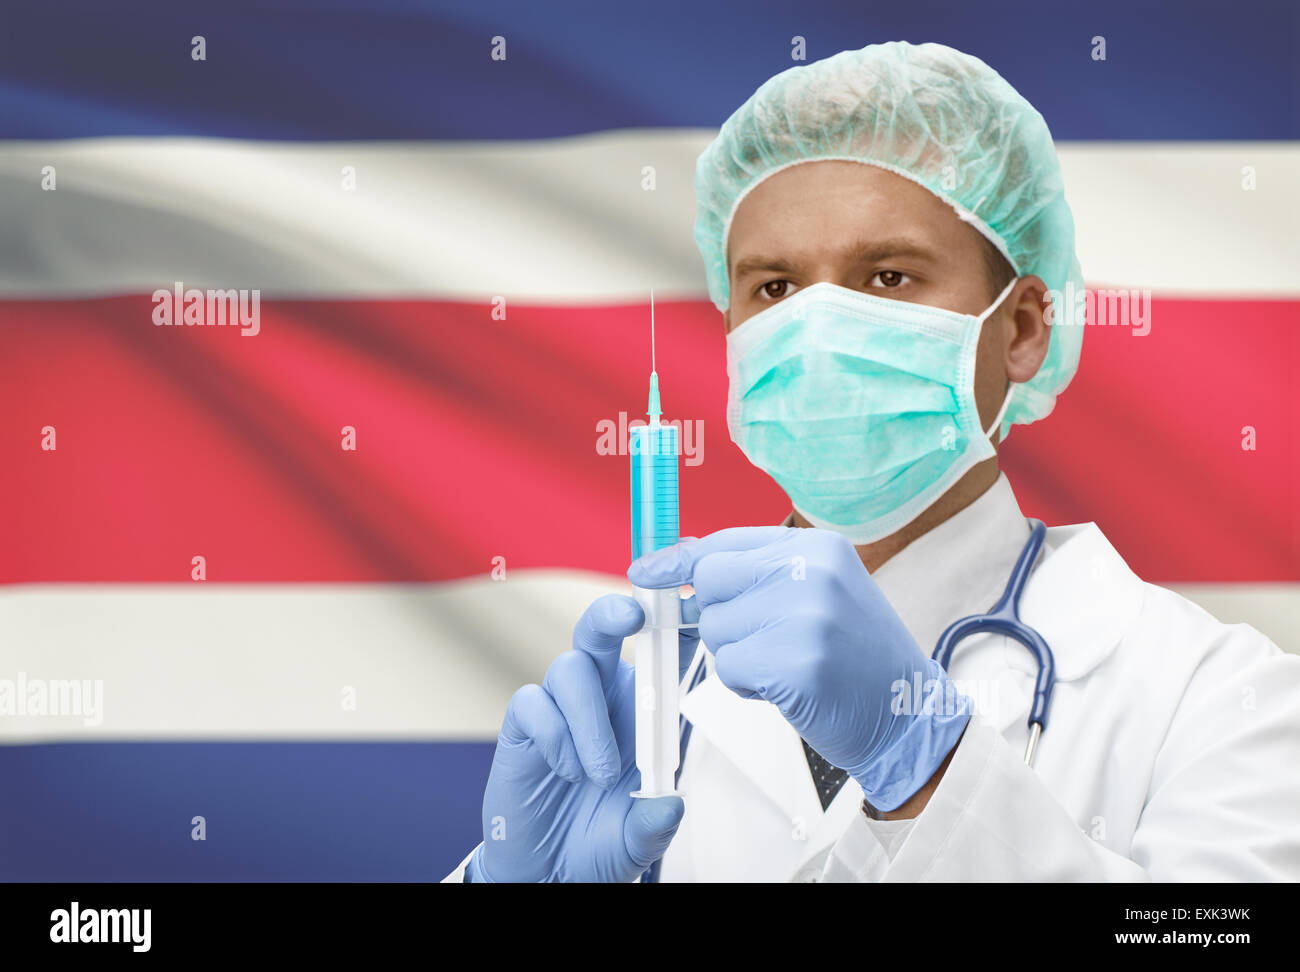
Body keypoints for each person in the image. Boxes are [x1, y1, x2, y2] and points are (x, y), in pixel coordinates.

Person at [444, 41, 1300, 882]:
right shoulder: (654, 705)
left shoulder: (1221, 697)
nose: (818, 328)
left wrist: (925, 769)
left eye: (888, 277)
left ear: (1025, 328)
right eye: (774, 287)